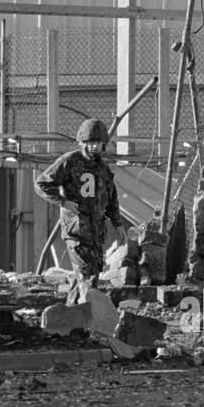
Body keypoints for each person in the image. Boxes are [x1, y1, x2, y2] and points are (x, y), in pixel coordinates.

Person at [35, 117, 130, 305]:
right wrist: (63, 201)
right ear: (83, 143)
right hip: (77, 231)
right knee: (88, 277)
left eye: (98, 143)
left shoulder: (103, 169)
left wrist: (118, 224)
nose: (94, 147)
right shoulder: (70, 161)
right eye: (91, 143)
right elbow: (42, 183)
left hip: (96, 233)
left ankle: (70, 315)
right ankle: (91, 318)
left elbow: (111, 199)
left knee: (87, 276)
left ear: (103, 144)